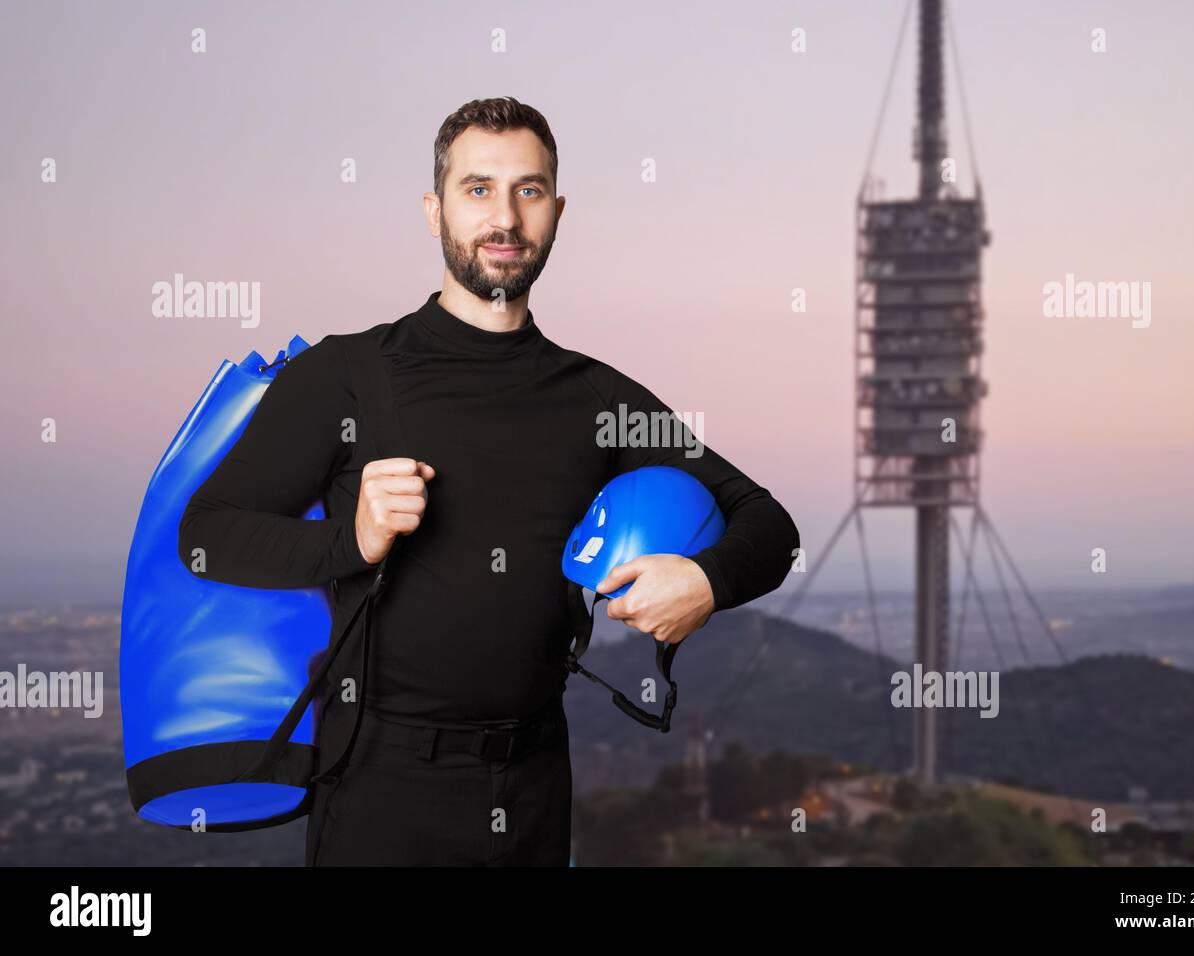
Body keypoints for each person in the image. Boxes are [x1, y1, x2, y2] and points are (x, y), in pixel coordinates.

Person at [178, 96, 800, 866]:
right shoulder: (343, 376)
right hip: (378, 786)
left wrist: (706, 581)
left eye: (528, 191)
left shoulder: (598, 398)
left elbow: (768, 525)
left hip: (533, 783)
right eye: (478, 189)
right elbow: (205, 535)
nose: (504, 217)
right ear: (434, 209)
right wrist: (354, 539)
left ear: (557, 212)